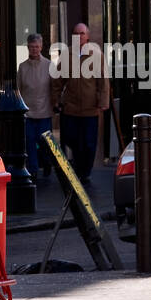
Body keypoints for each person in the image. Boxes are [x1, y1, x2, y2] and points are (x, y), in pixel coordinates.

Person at [51, 23, 110, 184]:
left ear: (88, 36)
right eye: (76, 33)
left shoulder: (96, 54)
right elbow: (58, 81)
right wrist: (56, 100)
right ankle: (78, 167)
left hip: (90, 108)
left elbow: (103, 80)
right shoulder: (66, 55)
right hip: (71, 107)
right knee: (72, 139)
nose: (79, 36)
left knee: (89, 143)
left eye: (82, 33)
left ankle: (86, 171)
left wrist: (103, 102)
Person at [16, 33, 53, 181]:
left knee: (43, 142)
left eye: (37, 47)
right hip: (28, 112)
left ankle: (47, 163)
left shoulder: (49, 65)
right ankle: (33, 170)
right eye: (31, 47)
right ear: (27, 48)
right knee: (30, 141)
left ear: (41, 47)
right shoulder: (23, 67)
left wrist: (56, 103)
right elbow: (18, 89)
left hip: (44, 111)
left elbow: (54, 88)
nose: (34, 50)